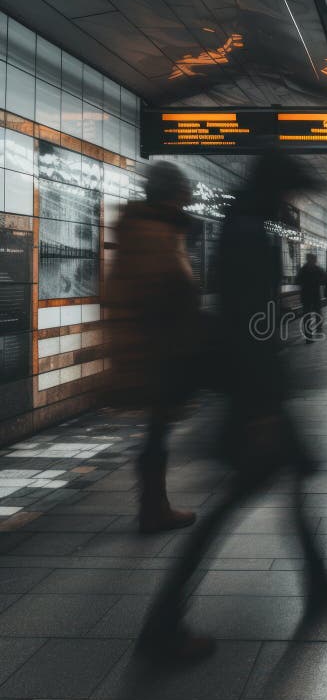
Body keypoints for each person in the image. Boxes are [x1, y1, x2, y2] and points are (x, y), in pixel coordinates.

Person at [136, 153, 327, 662]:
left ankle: (319, 581)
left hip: (256, 393)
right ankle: (162, 624)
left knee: (289, 486)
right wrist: (263, 409)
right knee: (235, 505)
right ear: (277, 191)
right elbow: (248, 326)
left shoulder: (242, 226)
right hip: (255, 398)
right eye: (292, 196)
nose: (294, 206)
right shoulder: (250, 235)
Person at [105, 161, 199, 534]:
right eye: (183, 190)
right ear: (173, 193)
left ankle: (154, 505)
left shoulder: (151, 229)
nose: (189, 196)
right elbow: (162, 294)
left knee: (156, 431)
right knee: (156, 431)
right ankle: (153, 509)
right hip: (155, 353)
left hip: (152, 350)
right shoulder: (154, 233)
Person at [296, 252, 327, 342]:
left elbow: (297, 280)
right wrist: (318, 282)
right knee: (315, 313)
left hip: (307, 295)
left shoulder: (303, 269)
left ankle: (309, 335)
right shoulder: (317, 269)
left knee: (308, 316)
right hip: (314, 295)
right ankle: (316, 331)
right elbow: (325, 278)